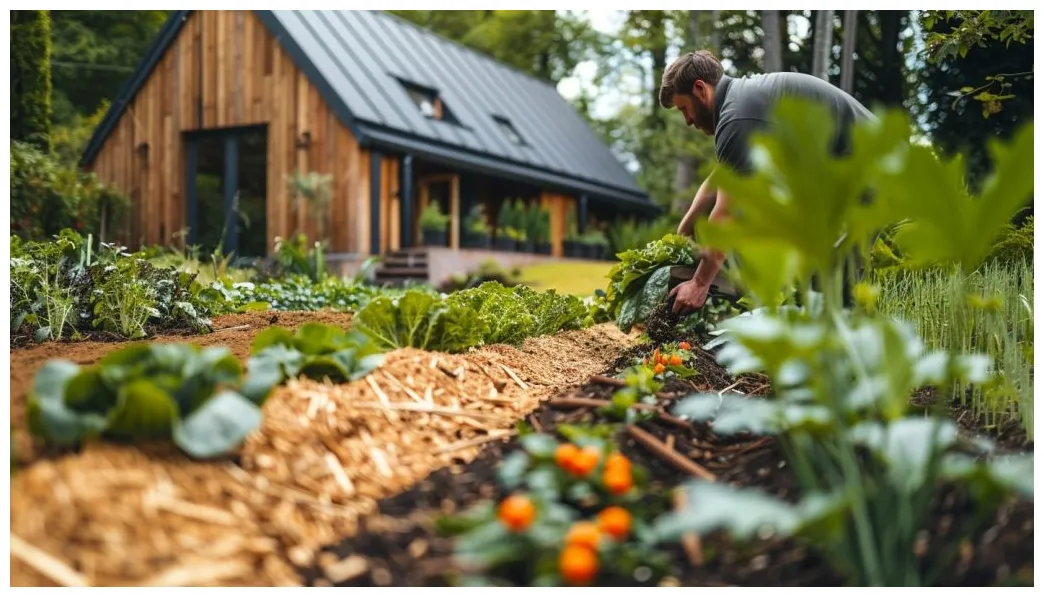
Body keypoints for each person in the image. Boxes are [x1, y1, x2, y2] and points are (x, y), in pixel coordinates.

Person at [660, 50, 876, 314]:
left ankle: (846, 346)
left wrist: (699, 283)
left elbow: (726, 215)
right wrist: (686, 228)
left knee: (830, 284)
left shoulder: (738, 116)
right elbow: (721, 178)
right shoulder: (739, 104)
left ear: (700, 89)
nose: (688, 121)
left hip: (872, 173)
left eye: (685, 109)